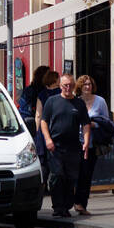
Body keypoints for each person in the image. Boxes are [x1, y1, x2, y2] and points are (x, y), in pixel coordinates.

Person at [38, 73, 90, 218]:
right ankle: (58, 207)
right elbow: (44, 121)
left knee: (71, 177)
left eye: (71, 85)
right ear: (60, 86)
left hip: (73, 147)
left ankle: (66, 206)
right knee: (57, 176)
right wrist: (48, 139)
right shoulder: (52, 101)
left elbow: (85, 124)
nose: (68, 88)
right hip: (55, 147)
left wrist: (86, 141)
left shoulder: (79, 104)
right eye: (65, 85)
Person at [73, 75, 110, 216]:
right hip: (76, 143)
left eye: (89, 84)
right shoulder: (76, 102)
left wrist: (94, 124)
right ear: (80, 87)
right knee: (75, 174)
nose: (87, 87)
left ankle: (82, 204)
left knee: (86, 175)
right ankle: (74, 202)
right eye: (84, 85)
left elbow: (106, 122)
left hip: (92, 144)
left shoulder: (100, 101)